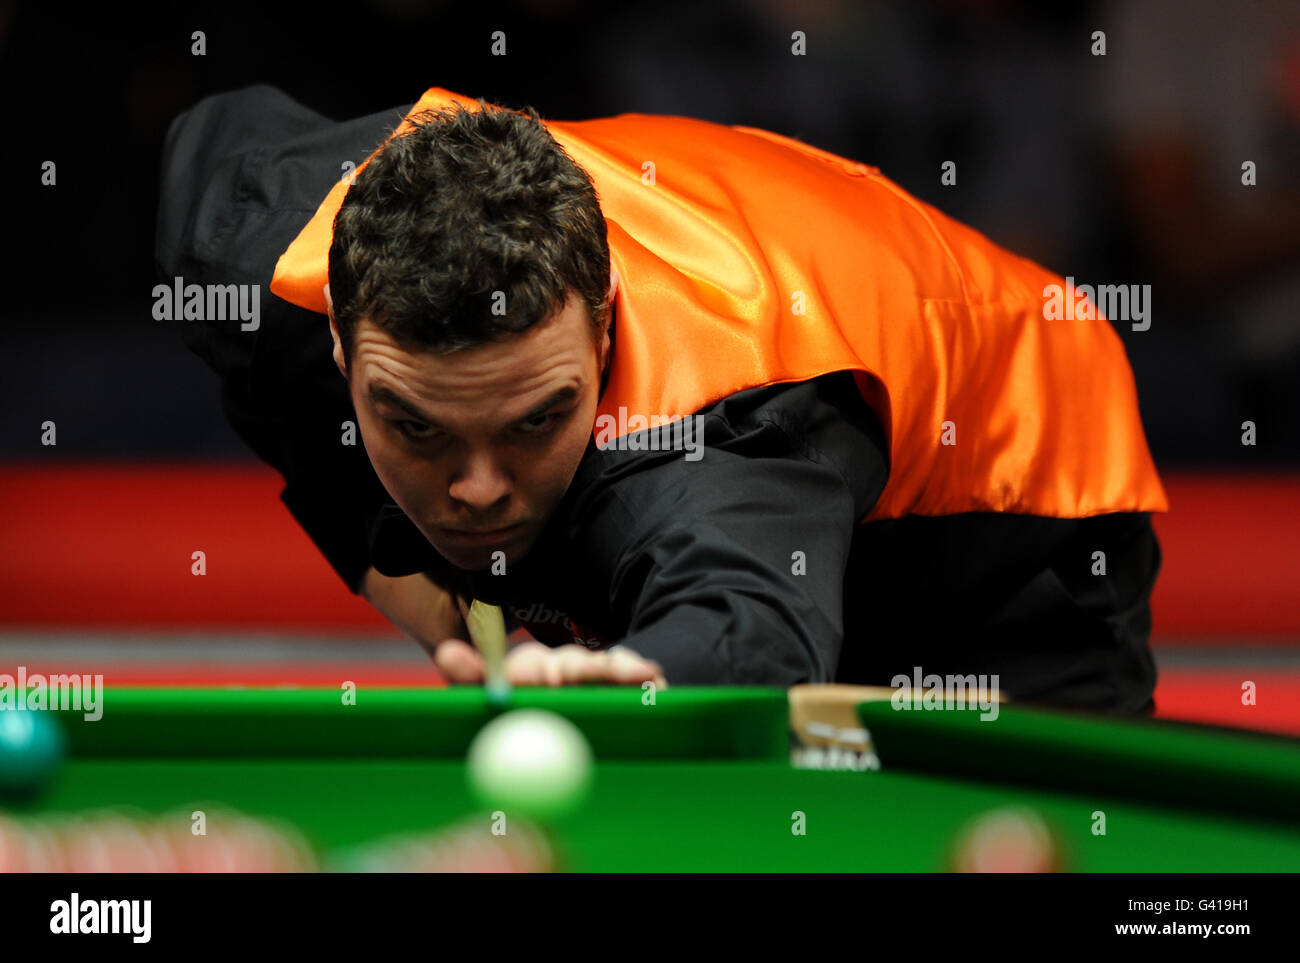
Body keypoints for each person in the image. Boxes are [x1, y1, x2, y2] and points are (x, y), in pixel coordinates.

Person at [156, 84, 1167, 709]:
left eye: (533, 421)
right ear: (334, 332)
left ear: (601, 331)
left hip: (1009, 492)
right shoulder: (264, 260)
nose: (472, 491)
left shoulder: (720, 436)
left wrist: (648, 677)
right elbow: (208, 140)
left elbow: (751, 621)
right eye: (414, 425)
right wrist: (389, 562)